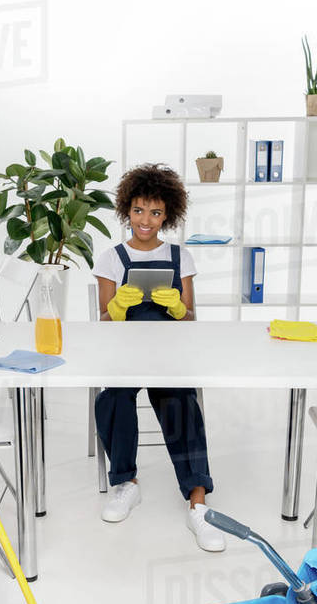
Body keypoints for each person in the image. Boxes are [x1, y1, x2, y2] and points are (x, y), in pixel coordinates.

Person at [92, 163, 225, 552]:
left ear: (168, 214)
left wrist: (178, 308)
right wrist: (117, 305)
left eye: (154, 212)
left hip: (169, 351)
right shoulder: (111, 258)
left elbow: (191, 317)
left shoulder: (181, 257)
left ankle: (197, 502)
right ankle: (125, 484)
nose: (145, 220)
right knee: (113, 398)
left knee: (182, 402)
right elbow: (102, 319)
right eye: (138, 211)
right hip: (124, 350)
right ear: (126, 211)